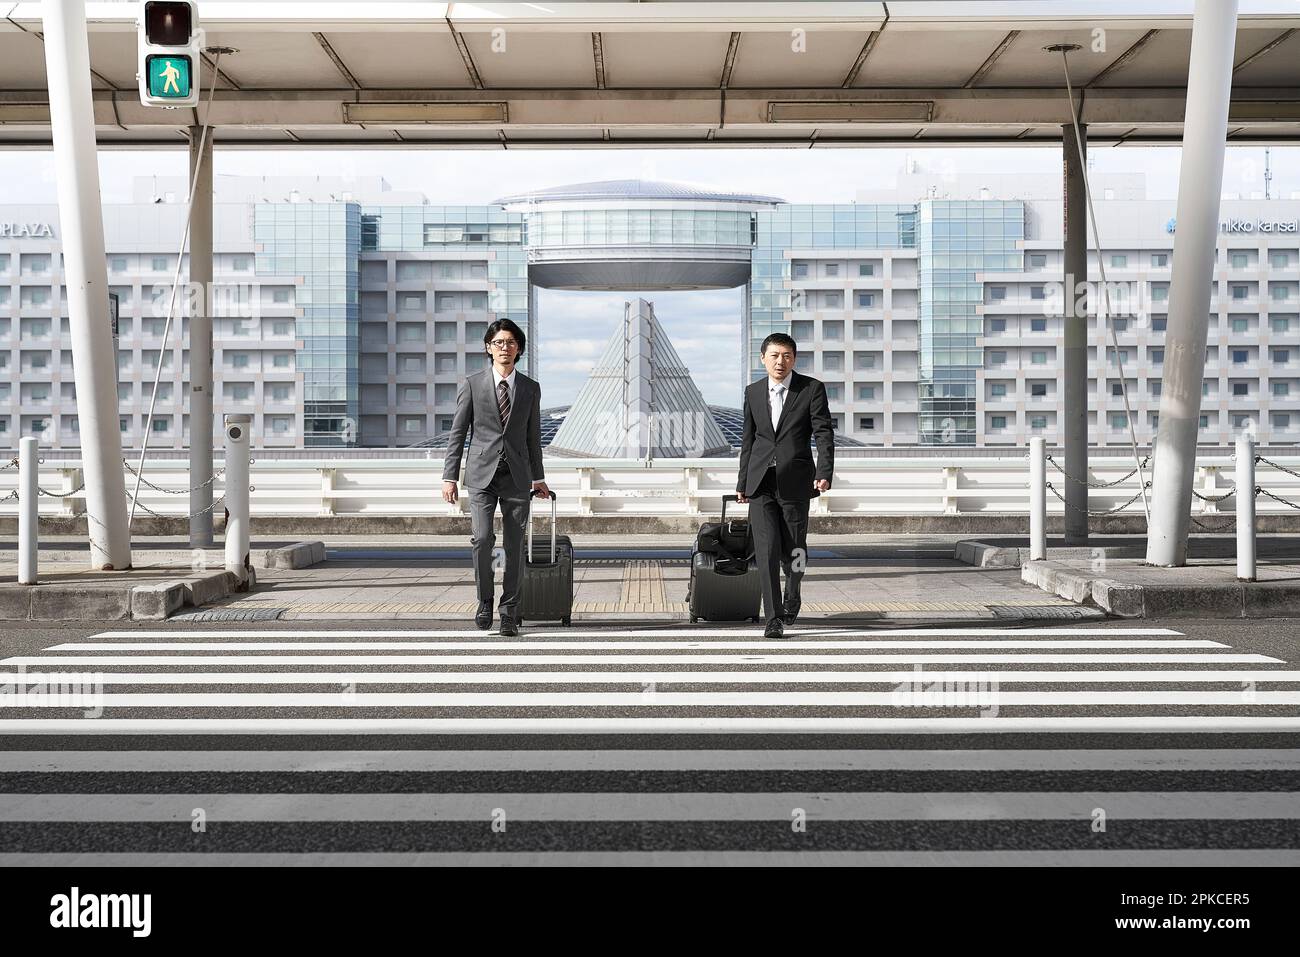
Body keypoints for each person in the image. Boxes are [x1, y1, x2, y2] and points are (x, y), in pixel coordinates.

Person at [442, 319, 549, 636]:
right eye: (500, 342)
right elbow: (458, 433)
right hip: (480, 476)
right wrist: (449, 477)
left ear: (520, 349)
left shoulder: (530, 388)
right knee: (483, 539)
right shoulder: (473, 384)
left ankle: (509, 612)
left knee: (515, 546)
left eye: (512, 342)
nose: (506, 347)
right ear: (489, 347)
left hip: (517, 477)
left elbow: (533, 439)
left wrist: (538, 478)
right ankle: (485, 601)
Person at [735, 333, 834, 638]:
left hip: (796, 480)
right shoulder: (752, 392)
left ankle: (793, 592)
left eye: (787, 355)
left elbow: (823, 432)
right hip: (761, 482)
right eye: (775, 355)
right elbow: (748, 440)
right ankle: (773, 617)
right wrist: (742, 482)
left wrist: (824, 471)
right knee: (765, 550)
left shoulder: (811, 389)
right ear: (763, 358)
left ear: (794, 359)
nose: (781, 361)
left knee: (795, 548)